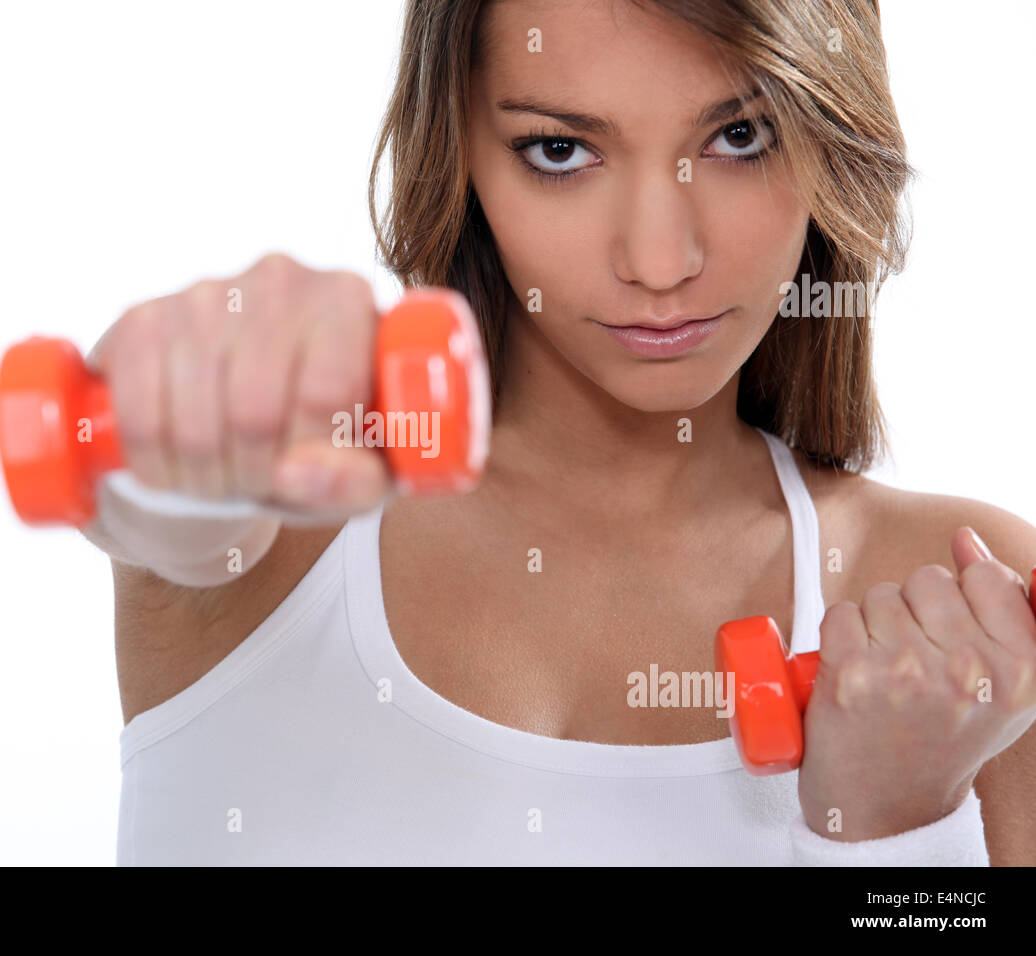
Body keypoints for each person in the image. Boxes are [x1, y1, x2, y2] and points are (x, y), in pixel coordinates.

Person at [82, 0, 1036, 864]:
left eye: (741, 136)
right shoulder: (275, 533)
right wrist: (173, 426)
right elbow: (159, 509)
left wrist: (892, 827)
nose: (661, 261)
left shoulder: (964, 599)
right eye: (560, 150)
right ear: (455, 144)